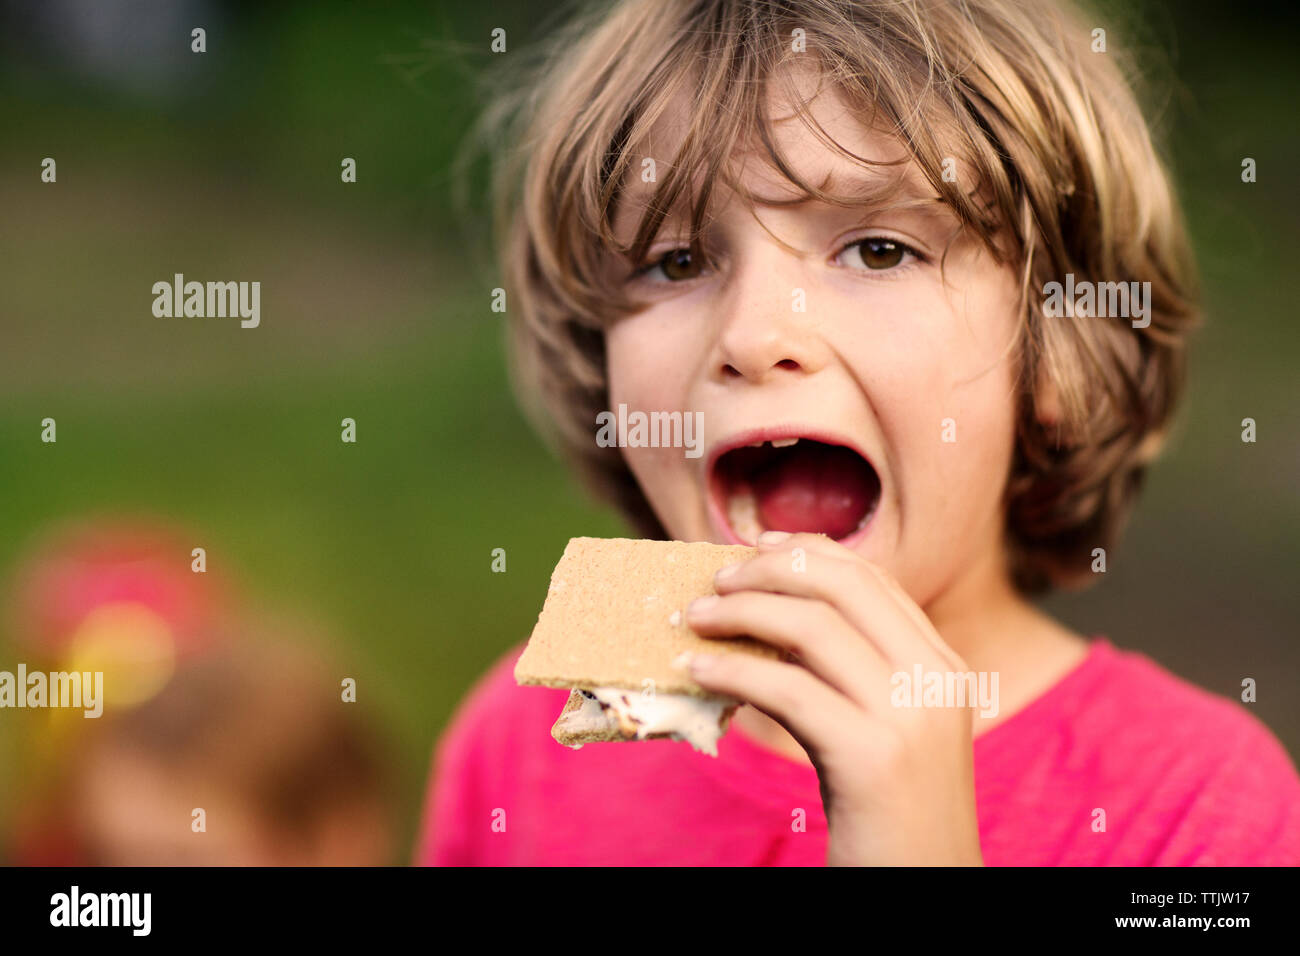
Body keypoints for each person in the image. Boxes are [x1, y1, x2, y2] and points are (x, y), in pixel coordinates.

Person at [418, 0, 1300, 864]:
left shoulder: (1202, 814)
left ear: (1059, 352)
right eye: (676, 262)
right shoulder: (519, 756)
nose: (755, 335)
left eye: (879, 250)